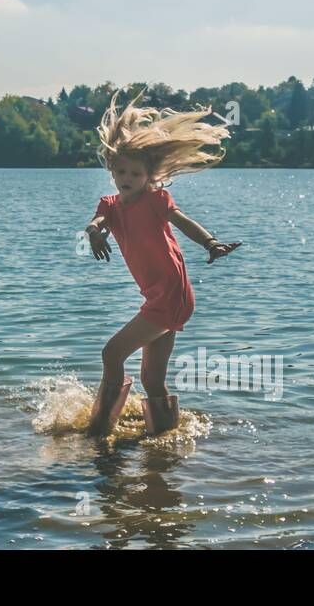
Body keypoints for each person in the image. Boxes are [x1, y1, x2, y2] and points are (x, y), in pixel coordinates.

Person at [84, 93, 241, 437]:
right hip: (159, 298)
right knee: (151, 378)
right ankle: (167, 435)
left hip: (171, 296)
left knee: (111, 354)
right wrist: (94, 232)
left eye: (135, 173)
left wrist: (210, 243)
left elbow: (182, 221)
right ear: (111, 169)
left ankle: (99, 429)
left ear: (149, 175)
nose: (126, 178)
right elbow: (96, 221)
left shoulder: (156, 200)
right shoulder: (110, 205)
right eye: (121, 171)